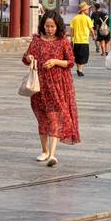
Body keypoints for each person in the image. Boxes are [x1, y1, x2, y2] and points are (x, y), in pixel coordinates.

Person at [21, 10, 81, 168]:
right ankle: (44, 150)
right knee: (42, 118)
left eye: (52, 26)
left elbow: (70, 62)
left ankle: (53, 154)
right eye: (47, 26)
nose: (49, 29)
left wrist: (55, 61)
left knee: (54, 117)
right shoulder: (36, 41)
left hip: (57, 85)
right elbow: (25, 58)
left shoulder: (63, 42)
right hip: (39, 85)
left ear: (57, 26)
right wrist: (29, 58)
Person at [70, 2, 94, 77]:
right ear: (84, 10)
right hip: (84, 40)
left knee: (77, 56)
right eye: (87, 9)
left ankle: (78, 69)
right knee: (83, 56)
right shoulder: (87, 18)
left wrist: (71, 39)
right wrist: (94, 36)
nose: (88, 10)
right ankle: (80, 70)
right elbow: (91, 29)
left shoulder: (75, 18)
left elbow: (72, 30)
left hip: (76, 40)